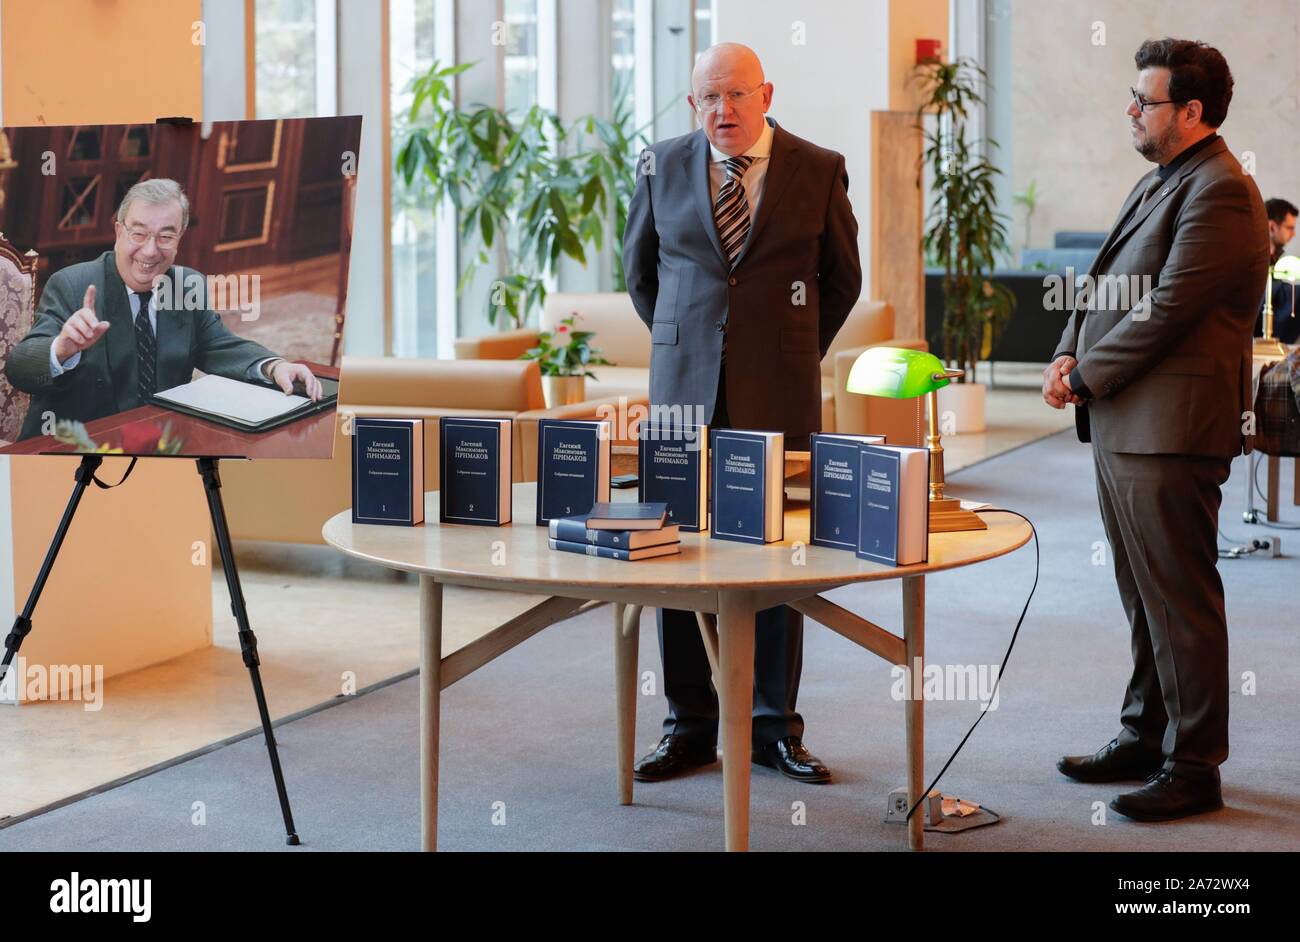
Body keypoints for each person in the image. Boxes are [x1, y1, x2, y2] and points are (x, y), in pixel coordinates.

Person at [622, 42, 861, 783]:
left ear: (765, 93)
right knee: (679, 556)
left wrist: (788, 350)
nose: (720, 111)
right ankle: (689, 726)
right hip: (681, 394)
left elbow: (840, 281)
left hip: (778, 392)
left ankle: (771, 729)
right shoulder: (660, 163)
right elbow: (640, 271)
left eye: (734, 95)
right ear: (693, 104)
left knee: (775, 559)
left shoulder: (816, 167)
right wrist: (685, 341)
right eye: (705, 99)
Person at [1044, 38, 1268, 821]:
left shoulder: (1223, 190)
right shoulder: (1160, 181)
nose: (1131, 111)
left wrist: (1089, 374)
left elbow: (1169, 306)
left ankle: (1194, 764)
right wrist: (1069, 350)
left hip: (1170, 428)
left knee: (1180, 601)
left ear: (1193, 111)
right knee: (1142, 595)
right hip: (1123, 420)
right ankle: (1145, 733)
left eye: (1146, 100)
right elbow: (1108, 281)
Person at [6, 178, 321, 441]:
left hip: (162, 442)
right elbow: (19, 369)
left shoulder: (186, 284)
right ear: (118, 232)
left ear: (179, 239)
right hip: (80, 446)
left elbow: (219, 345)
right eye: (138, 233)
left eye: (165, 236)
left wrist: (273, 366)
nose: (150, 250)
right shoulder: (73, 285)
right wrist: (60, 349)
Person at [1255, 197, 1298, 343]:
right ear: (1272, 227)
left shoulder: (1276, 259)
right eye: (1290, 228)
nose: (1294, 234)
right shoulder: (1252, 256)